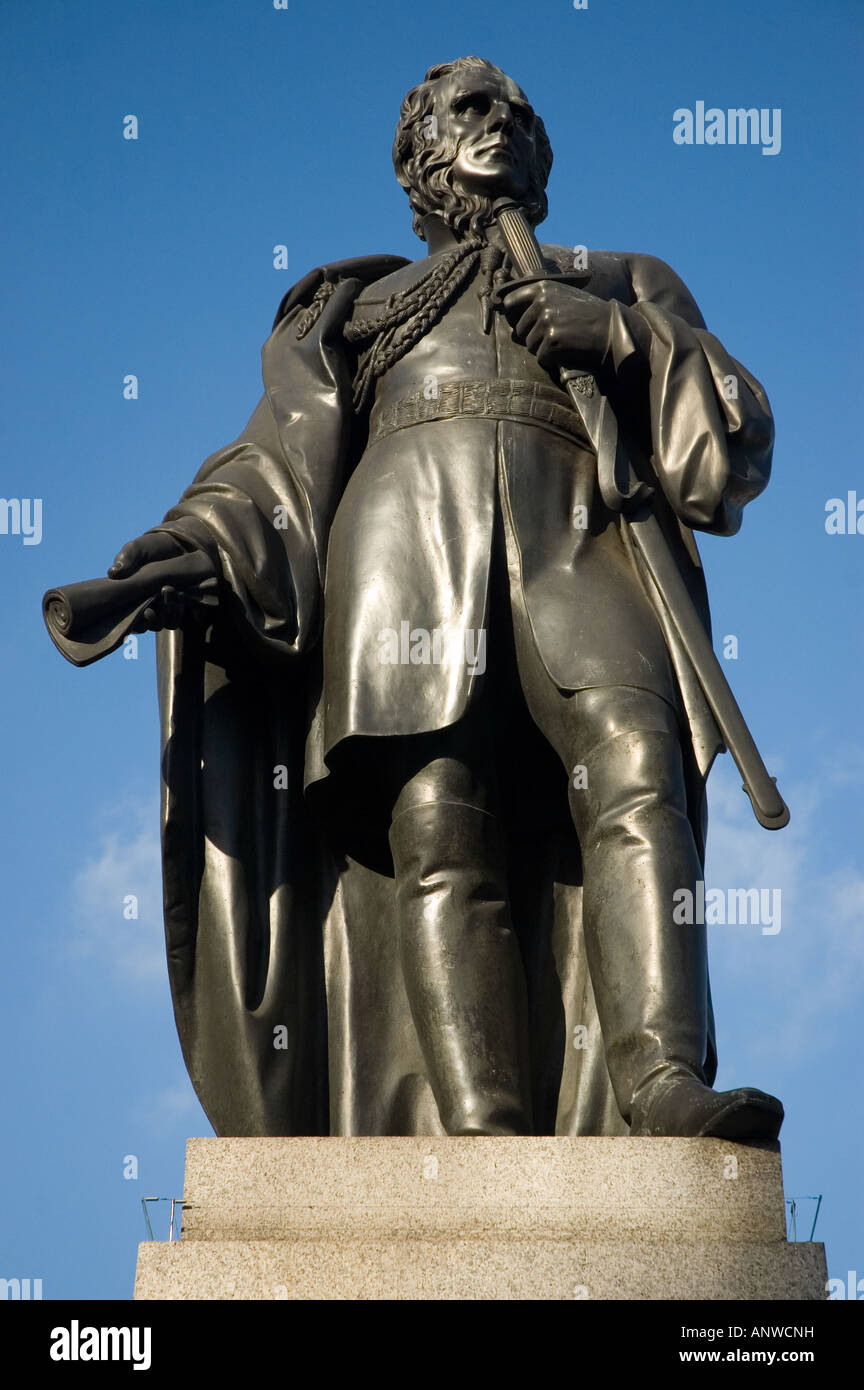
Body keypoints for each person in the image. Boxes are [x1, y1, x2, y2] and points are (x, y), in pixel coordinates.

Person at [105, 57, 783, 1141]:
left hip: (584, 547)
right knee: (436, 818)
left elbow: (727, 451)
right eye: (473, 107)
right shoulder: (353, 305)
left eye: (520, 111)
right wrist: (194, 548)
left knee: (637, 770)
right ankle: (481, 1131)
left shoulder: (621, 278)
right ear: (419, 150)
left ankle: (661, 1080)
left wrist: (615, 339)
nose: (502, 120)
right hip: (402, 550)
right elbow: (276, 462)